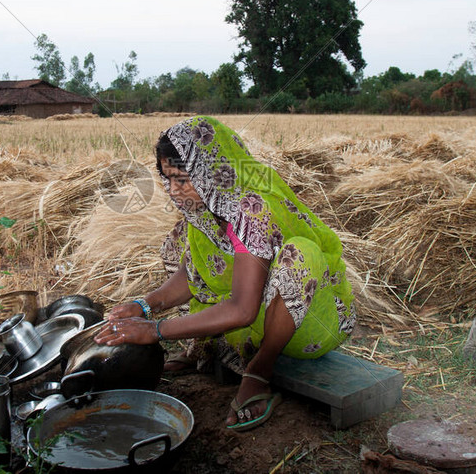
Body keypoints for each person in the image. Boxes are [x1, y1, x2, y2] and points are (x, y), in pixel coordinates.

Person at [94, 116, 356, 432]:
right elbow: (192, 275)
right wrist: (144, 305)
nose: (173, 191)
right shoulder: (205, 211)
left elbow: (243, 310)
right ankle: (207, 343)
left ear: (209, 172)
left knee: (298, 255)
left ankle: (260, 371)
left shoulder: (252, 209)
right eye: (168, 179)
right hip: (258, 313)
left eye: (182, 179)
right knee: (179, 239)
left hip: (308, 322)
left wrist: (156, 330)